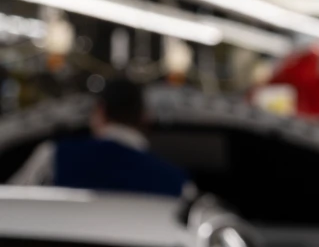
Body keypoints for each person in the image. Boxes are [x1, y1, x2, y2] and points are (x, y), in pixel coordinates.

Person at [11, 79, 192, 197]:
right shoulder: (177, 182)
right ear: (145, 117)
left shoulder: (53, 156)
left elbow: (11, 206)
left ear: (100, 111)